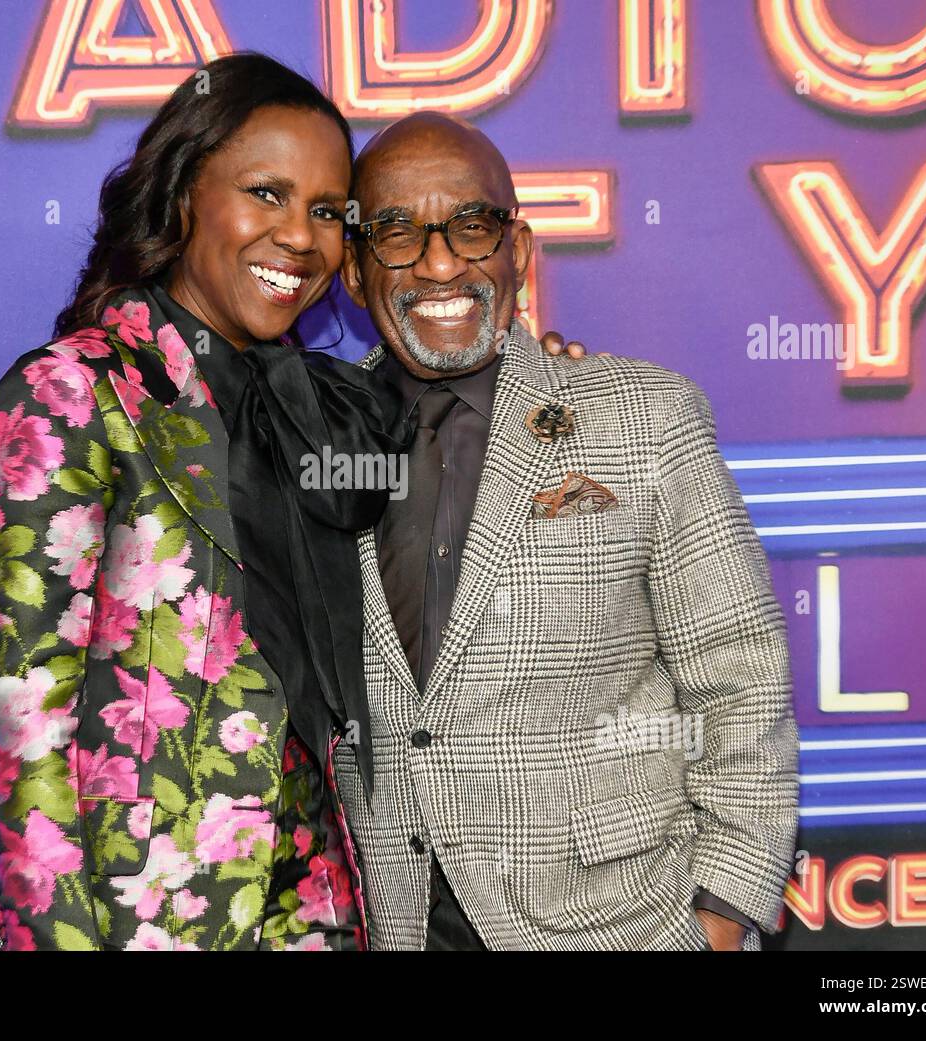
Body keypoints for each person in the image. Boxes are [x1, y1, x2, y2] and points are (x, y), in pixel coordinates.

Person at [0, 56, 581, 951]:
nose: (300, 236)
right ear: (184, 200)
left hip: (325, 912)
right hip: (142, 922)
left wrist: (541, 381)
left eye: (328, 211)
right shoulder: (70, 395)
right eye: (267, 193)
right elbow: (29, 738)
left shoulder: (332, 410)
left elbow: (458, 437)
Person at [332, 112, 800, 951]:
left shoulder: (647, 417)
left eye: (472, 227)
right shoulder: (304, 433)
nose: (440, 263)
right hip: (391, 922)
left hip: (621, 924)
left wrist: (724, 910)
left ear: (520, 250)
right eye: (396, 233)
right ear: (356, 275)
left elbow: (741, 674)